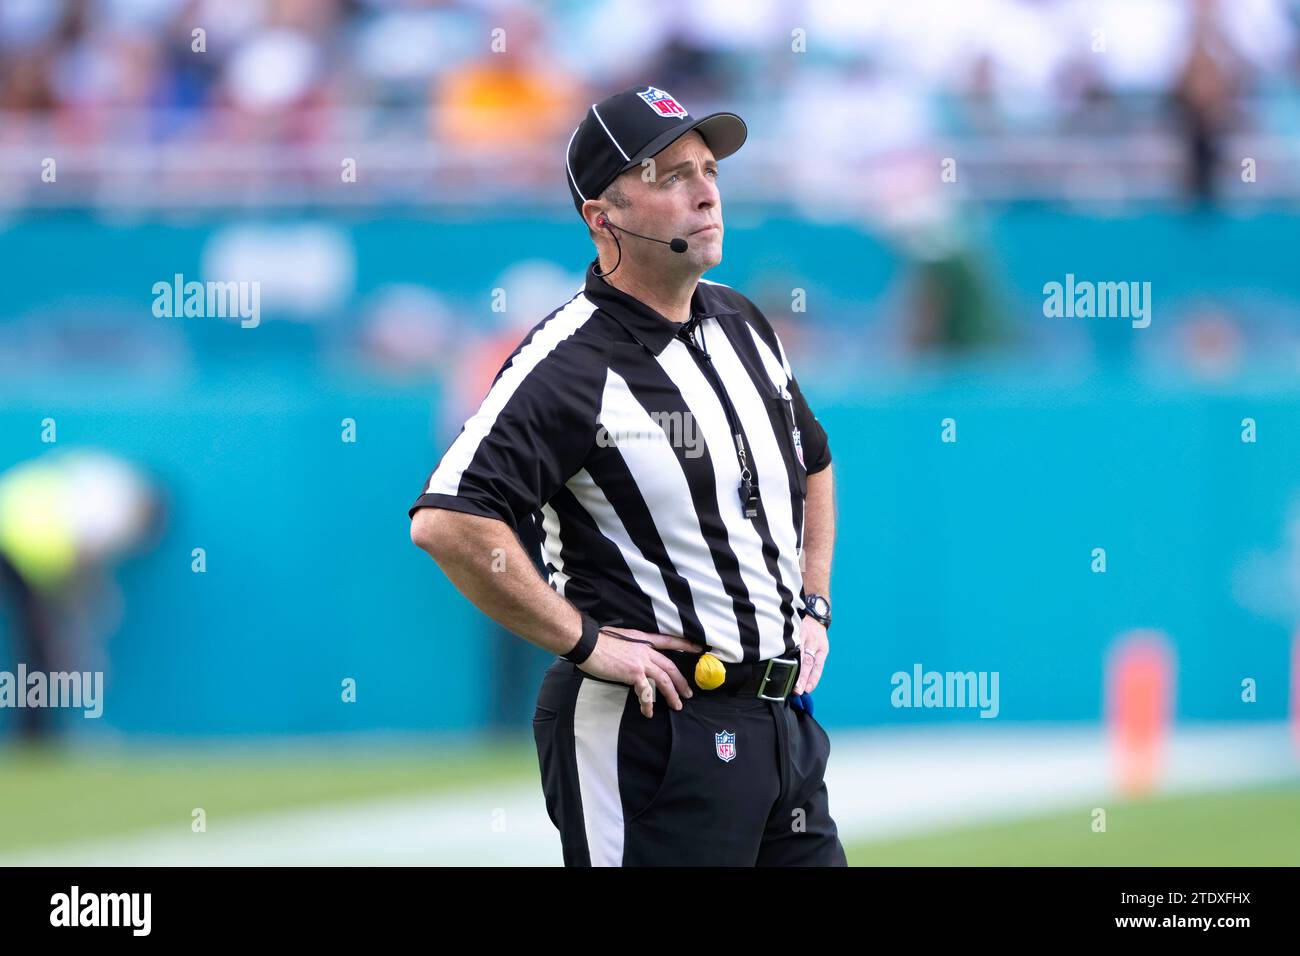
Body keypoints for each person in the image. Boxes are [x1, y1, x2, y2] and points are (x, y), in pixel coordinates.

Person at [410, 85, 843, 866]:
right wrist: (583, 643)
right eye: (669, 174)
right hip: (655, 730)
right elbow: (448, 519)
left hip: (781, 728)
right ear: (601, 216)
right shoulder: (570, 361)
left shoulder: (743, 321)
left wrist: (813, 603)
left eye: (708, 169)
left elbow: (815, 460)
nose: (705, 190)